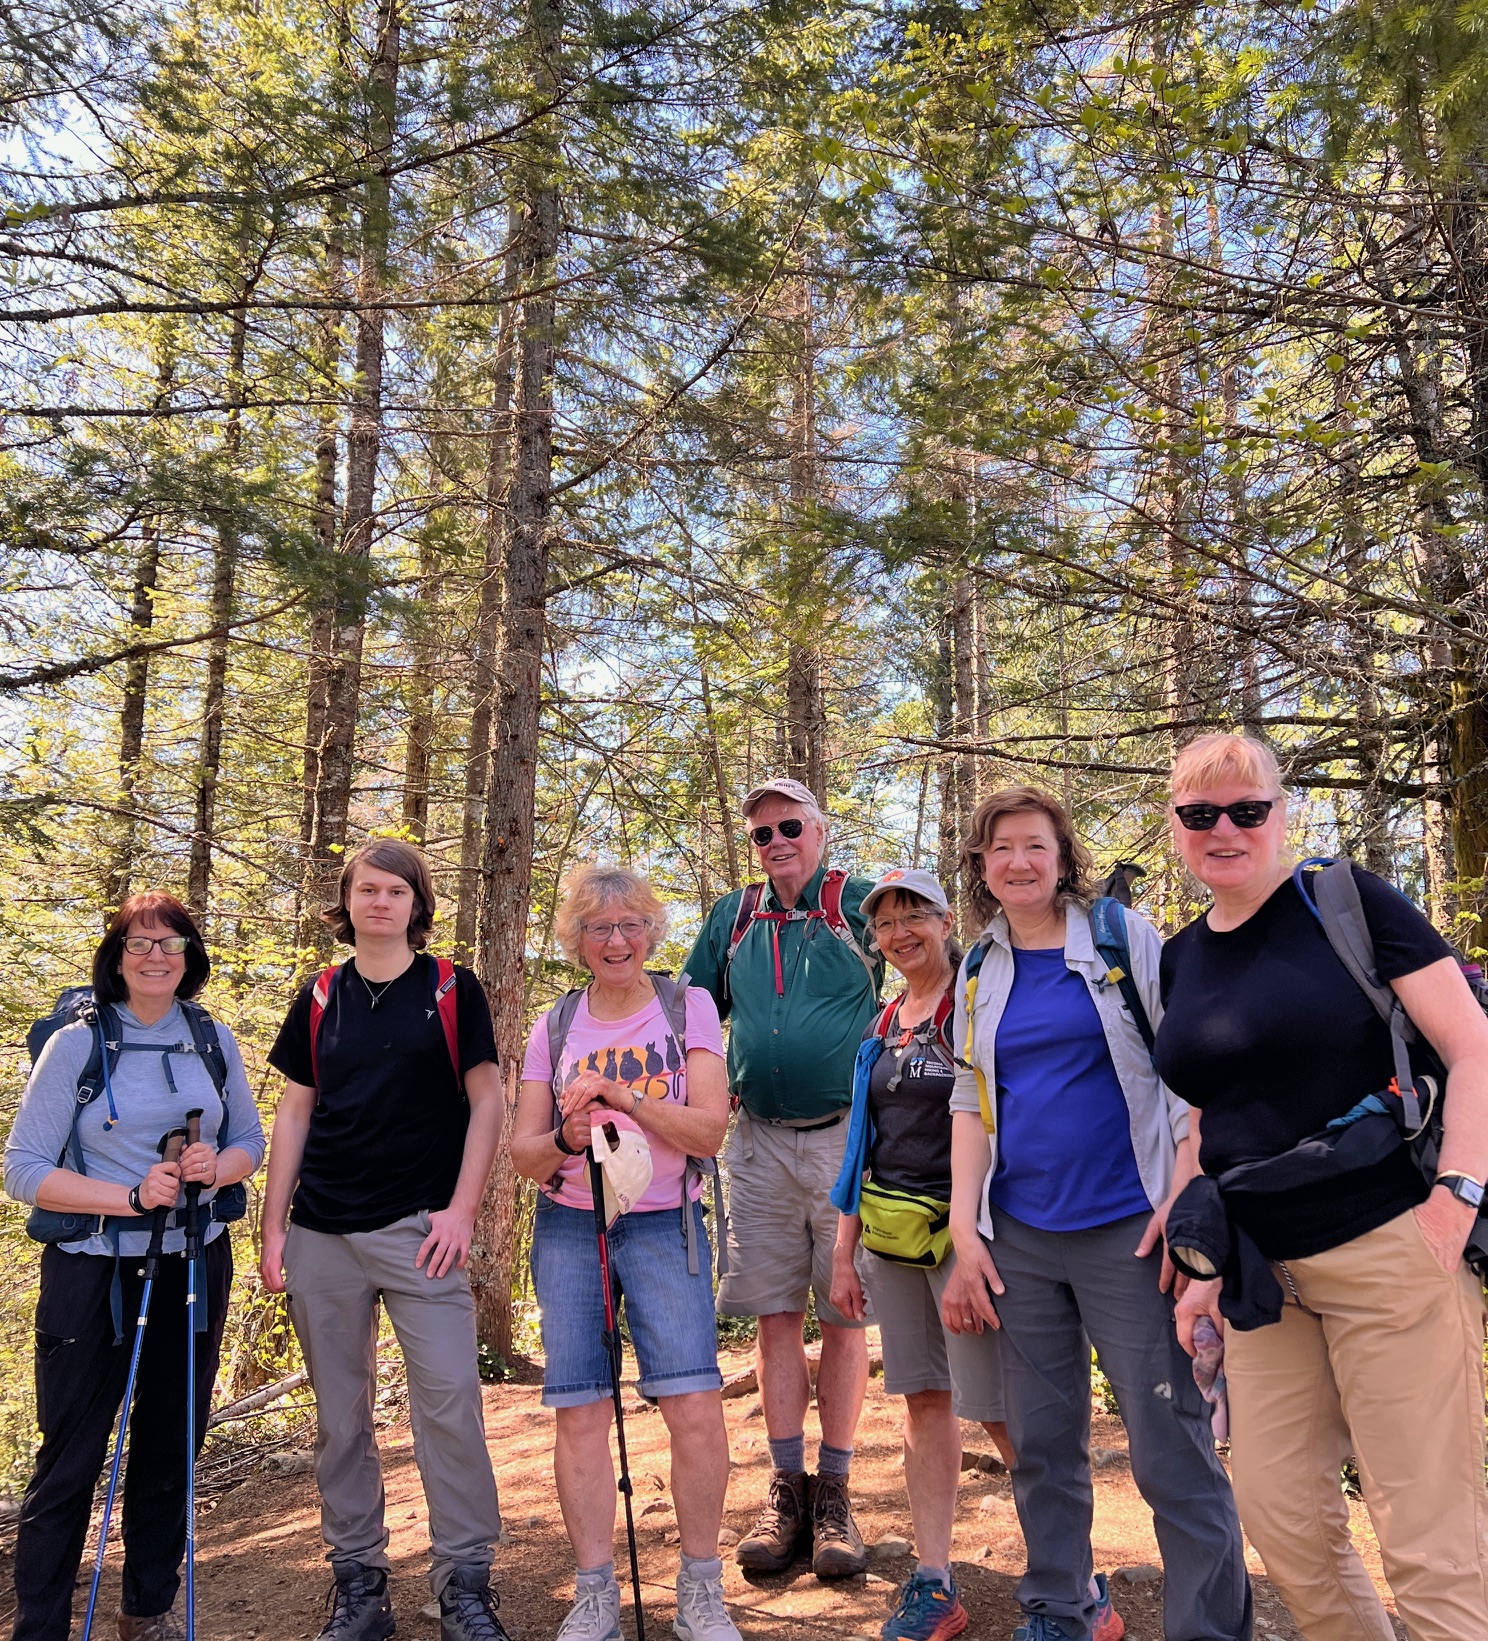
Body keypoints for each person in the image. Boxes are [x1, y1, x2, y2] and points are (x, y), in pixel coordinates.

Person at [1160, 733, 1488, 1641]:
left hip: (1392, 1247)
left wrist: (1453, 1201)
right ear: (1177, 826)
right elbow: (1204, 1121)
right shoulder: (1179, 958)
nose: (1225, 828)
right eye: (1200, 813)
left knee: (1429, 1537)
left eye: (1248, 809)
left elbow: (1474, 1046)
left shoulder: (1347, 903)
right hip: (1265, 1275)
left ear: (1281, 812)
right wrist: (1201, 1268)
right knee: (1284, 1522)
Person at [941, 786, 1251, 1641]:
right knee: (1042, 1444)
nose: (1018, 861)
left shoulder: (1122, 937)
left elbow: (1187, 1066)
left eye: (1035, 844)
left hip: (1129, 1226)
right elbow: (971, 1098)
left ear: (1062, 854)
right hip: (1023, 1238)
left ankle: (1208, 1627)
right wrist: (964, 1228)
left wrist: (1185, 1191)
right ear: (981, 865)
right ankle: (1057, 1608)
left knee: (1167, 1440)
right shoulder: (980, 966)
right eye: (1000, 847)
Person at [260, 840, 508, 1641]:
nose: (379, 902)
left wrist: (463, 1209)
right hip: (322, 1231)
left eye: (395, 890)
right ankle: (358, 1583)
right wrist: (273, 1226)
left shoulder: (449, 987)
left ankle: (464, 1582)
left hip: (421, 1229)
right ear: (347, 899)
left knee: (450, 1404)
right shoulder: (321, 994)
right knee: (341, 1416)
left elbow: (489, 1099)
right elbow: (295, 1111)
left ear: (415, 903)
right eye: (367, 889)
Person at [5, 891, 266, 1641]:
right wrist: (128, 1194)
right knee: (71, 1457)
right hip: (91, 1274)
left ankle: (147, 1610)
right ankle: (41, 1626)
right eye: (139, 943)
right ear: (115, 956)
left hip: (192, 1261)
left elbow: (250, 1138)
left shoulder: (212, 1036)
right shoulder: (77, 1044)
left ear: (191, 957)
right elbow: (22, 1167)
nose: (156, 956)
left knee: (169, 1445)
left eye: (171, 943)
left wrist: (217, 1168)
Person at [510, 865, 738, 1641]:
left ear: (652, 932)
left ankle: (702, 1588)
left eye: (631, 924)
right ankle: (595, 1589)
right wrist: (567, 1136)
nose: (617, 940)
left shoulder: (688, 1006)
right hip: (572, 1227)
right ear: (577, 940)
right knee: (579, 1410)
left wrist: (625, 1097)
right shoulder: (555, 1024)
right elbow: (524, 1153)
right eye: (600, 928)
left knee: (694, 1404)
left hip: (663, 1221)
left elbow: (710, 1130)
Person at [683, 777, 882, 1579]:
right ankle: (785, 1488)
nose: (776, 843)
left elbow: (933, 970)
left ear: (820, 829)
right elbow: (691, 1008)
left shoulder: (864, 906)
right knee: (772, 1316)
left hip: (847, 1139)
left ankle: (835, 1490)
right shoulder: (733, 918)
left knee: (842, 1315)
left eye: (789, 826)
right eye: (762, 833)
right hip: (758, 1142)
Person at [829, 867, 1013, 1641]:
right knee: (924, 1401)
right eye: (884, 924)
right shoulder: (882, 1022)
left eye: (914, 917)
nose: (900, 934)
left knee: (1001, 1408)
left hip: (969, 1237)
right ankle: (935, 1580)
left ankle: (1072, 1577)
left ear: (944, 920)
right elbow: (859, 1146)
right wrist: (844, 1252)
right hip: (892, 1237)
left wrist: (977, 1239)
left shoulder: (976, 1007)